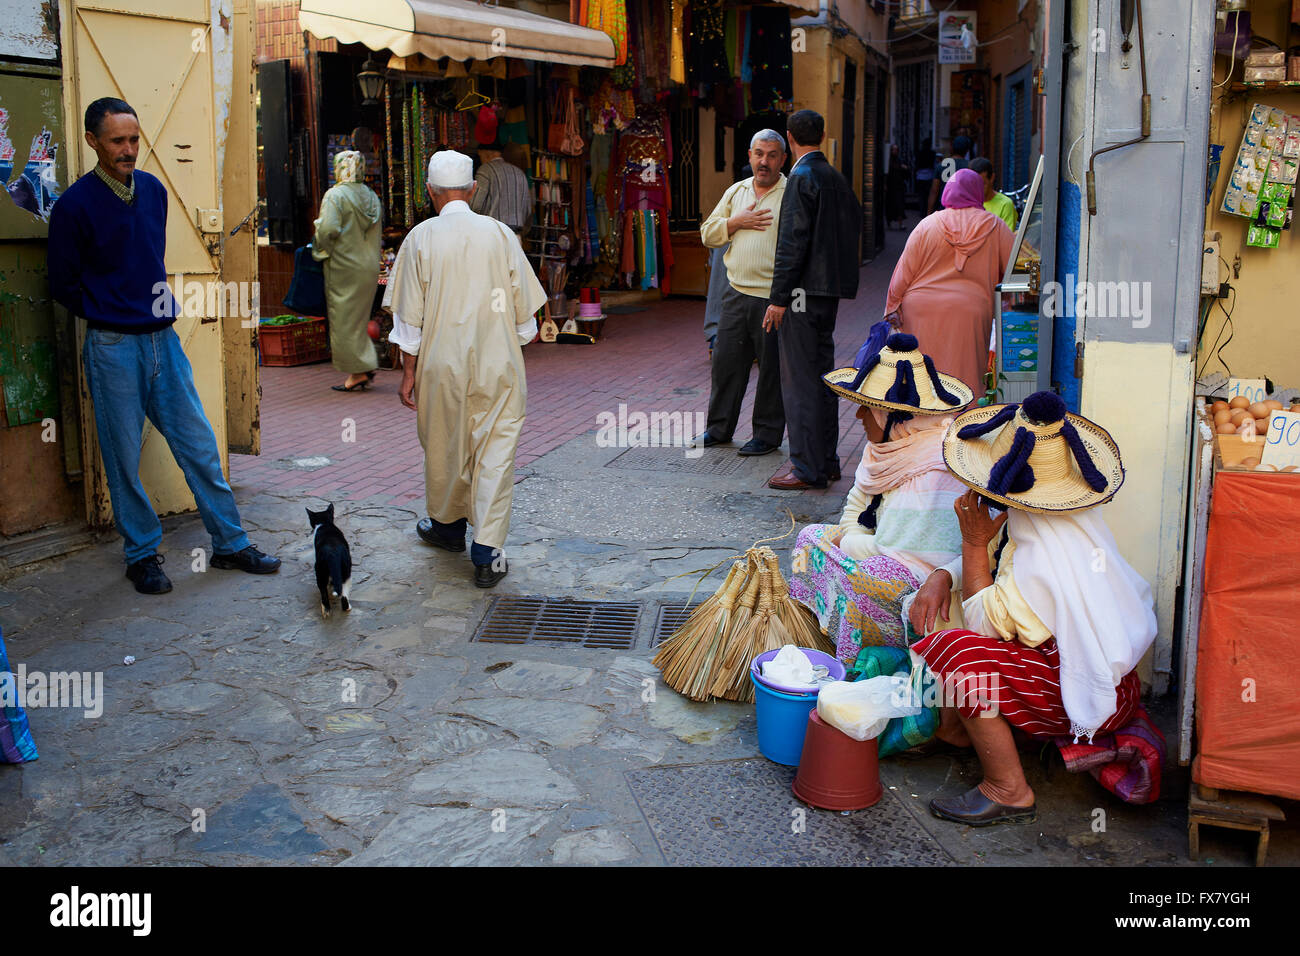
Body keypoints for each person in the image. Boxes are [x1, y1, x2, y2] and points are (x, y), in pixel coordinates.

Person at [46, 97, 280, 595]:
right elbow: (63, 285)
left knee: (199, 446)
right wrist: (109, 308)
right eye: (117, 141)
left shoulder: (153, 191)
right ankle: (142, 555)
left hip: (162, 342)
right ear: (93, 142)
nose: (130, 149)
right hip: (112, 346)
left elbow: (148, 257)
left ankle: (230, 543)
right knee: (122, 457)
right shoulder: (73, 207)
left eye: (134, 139)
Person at [908, 390, 1155, 826]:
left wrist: (972, 543)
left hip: (1089, 695)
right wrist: (944, 573)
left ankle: (1008, 788)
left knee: (961, 654)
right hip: (1113, 683)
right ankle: (961, 732)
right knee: (950, 614)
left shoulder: (1039, 558)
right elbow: (996, 577)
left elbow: (985, 623)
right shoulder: (1072, 530)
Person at [384, 150, 546, 588]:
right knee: (495, 453)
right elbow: (526, 324)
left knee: (445, 446)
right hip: (499, 364)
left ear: (430, 192)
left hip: (441, 364)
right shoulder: (499, 234)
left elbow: (408, 323)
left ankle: (448, 530)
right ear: (473, 190)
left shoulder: (419, 238)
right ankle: (487, 551)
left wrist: (408, 373)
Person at [789, 333, 971, 663]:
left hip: (927, 590)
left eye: (867, 409)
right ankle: (822, 631)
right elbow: (855, 508)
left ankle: (857, 658)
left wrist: (852, 545)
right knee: (809, 538)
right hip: (876, 551)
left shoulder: (939, 466)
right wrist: (853, 538)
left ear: (893, 420)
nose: (859, 417)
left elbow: (903, 553)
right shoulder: (885, 450)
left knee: (868, 577)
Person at [764, 109, 861, 490]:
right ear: (821, 135)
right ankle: (827, 461)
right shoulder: (835, 177)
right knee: (821, 379)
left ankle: (806, 467)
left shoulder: (801, 177)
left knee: (801, 382)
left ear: (789, 139)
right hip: (826, 293)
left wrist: (778, 298)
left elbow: (792, 243)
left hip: (802, 294)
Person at [884, 168, 1014, 398]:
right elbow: (1014, 271)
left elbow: (902, 274)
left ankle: (920, 426)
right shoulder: (996, 227)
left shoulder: (928, 225)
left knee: (921, 377)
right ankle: (961, 425)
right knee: (965, 376)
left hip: (921, 311)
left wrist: (892, 308)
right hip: (970, 313)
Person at [698, 131, 788, 457]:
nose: (764, 162)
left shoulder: (790, 194)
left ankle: (766, 435)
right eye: (759, 154)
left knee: (770, 370)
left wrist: (783, 298)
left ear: (783, 158)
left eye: (772, 155)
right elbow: (708, 233)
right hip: (735, 294)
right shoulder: (736, 191)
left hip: (771, 299)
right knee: (726, 365)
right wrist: (736, 222)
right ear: (750, 155)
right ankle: (718, 429)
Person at [313, 150, 382, 392]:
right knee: (359, 317)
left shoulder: (335, 196)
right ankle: (365, 364)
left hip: (343, 265)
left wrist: (321, 249)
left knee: (344, 320)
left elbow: (328, 229)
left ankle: (357, 372)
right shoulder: (372, 196)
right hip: (369, 265)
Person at [470, 139, 532, 235]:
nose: (481, 159)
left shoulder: (485, 170)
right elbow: (527, 209)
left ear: (487, 154)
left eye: (480, 155)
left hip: (493, 234)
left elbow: (476, 205)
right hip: (516, 235)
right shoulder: (520, 173)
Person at [925, 135, 971, 216]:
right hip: (965, 212)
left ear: (952, 148)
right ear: (967, 150)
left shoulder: (942, 165)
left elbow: (934, 191)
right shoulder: (970, 166)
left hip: (944, 211)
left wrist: (929, 213)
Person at [969, 157, 1018, 232]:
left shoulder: (1005, 205)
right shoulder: (966, 203)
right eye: (974, 184)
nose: (977, 188)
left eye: (982, 184)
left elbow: (1007, 238)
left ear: (992, 178)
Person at [884, 144, 909, 230]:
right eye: (893, 150)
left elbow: (905, 172)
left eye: (896, 150)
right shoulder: (888, 161)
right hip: (891, 186)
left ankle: (900, 224)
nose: (895, 151)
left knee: (899, 205)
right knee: (890, 205)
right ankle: (889, 223)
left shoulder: (899, 161)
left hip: (899, 186)